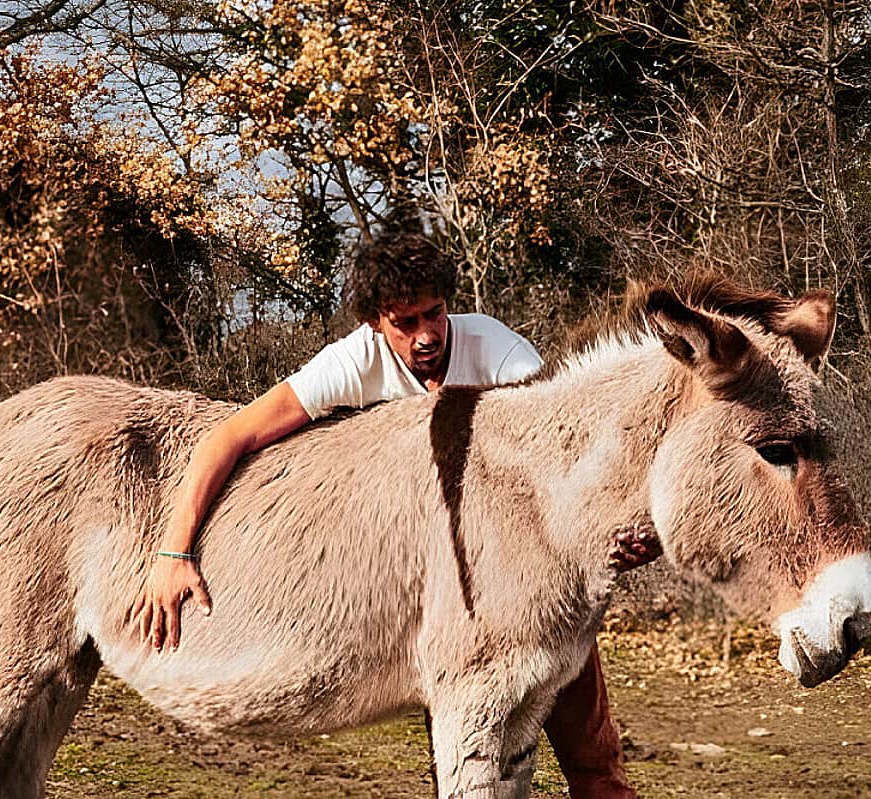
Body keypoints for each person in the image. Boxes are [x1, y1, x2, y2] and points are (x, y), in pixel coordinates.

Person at [130, 231, 653, 798]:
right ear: (377, 323)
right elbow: (230, 436)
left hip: (539, 588)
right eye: (405, 322)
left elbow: (570, 460)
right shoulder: (356, 361)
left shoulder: (500, 353)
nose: (426, 335)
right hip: (454, 606)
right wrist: (173, 552)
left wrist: (626, 537)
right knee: (467, 771)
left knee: (595, 766)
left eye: (434, 313)